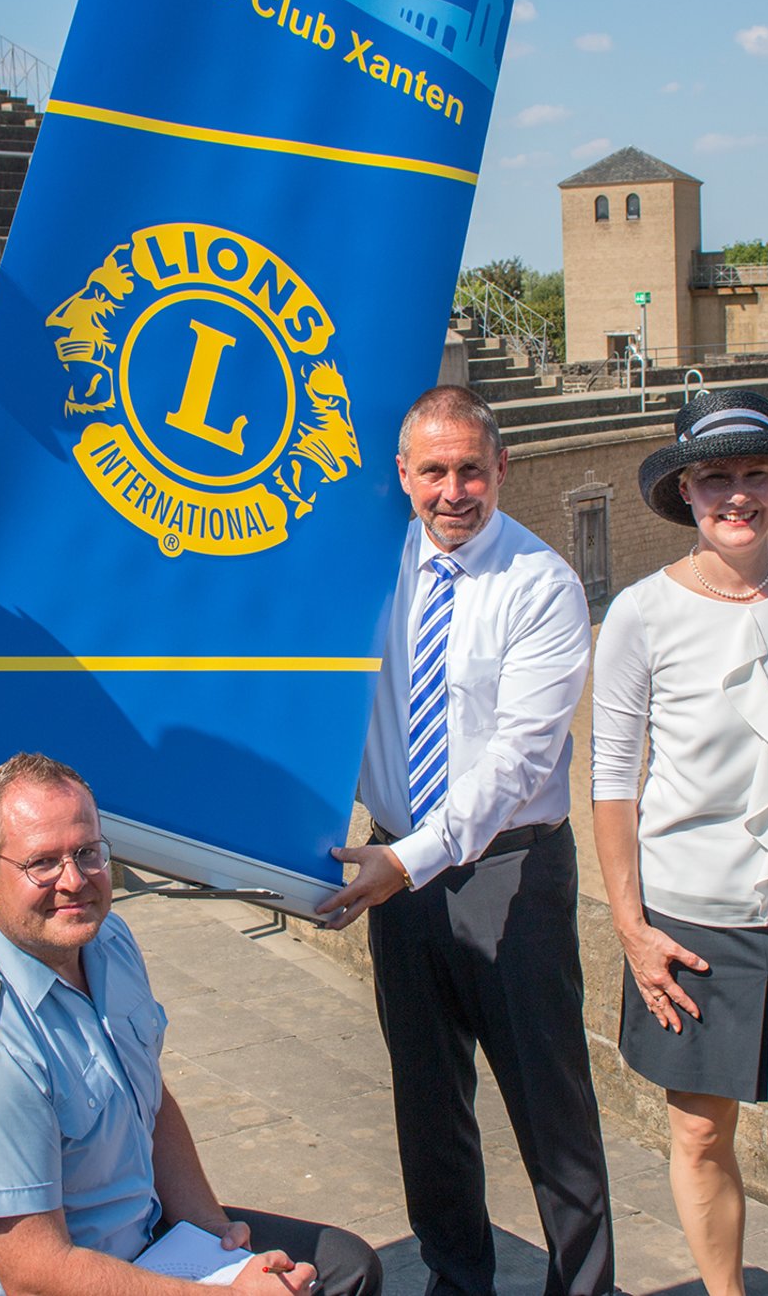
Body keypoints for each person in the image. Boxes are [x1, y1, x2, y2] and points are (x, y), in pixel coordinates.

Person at [0, 751, 384, 1296]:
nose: (74, 881)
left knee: (346, 1269)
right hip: (42, 1280)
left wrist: (208, 1227)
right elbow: (34, 1273)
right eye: (42, 863)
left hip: (133, 1240)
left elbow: (148, 1100)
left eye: (87, 853)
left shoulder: (106, 941)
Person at [319, 385, 614, 1296]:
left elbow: (518, 761)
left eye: (471, 471)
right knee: (427, 1100)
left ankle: (584, 1286)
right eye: (434, 472)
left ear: (502, 469)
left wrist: (406, 862)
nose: (454, 492)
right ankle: (456, 1279)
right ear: (403, 474)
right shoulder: (370, 571)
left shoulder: (542, 585)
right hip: (396, 862)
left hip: (507, 873)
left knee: (549, 1107)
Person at [590, 388, 768, 1296]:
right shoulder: (641, 612)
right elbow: (612, 777)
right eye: (715, 476)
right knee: (698, 1131)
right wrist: (632, 929)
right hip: (688, 920)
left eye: (755, 473)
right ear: (685, 490)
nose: (738, 494)